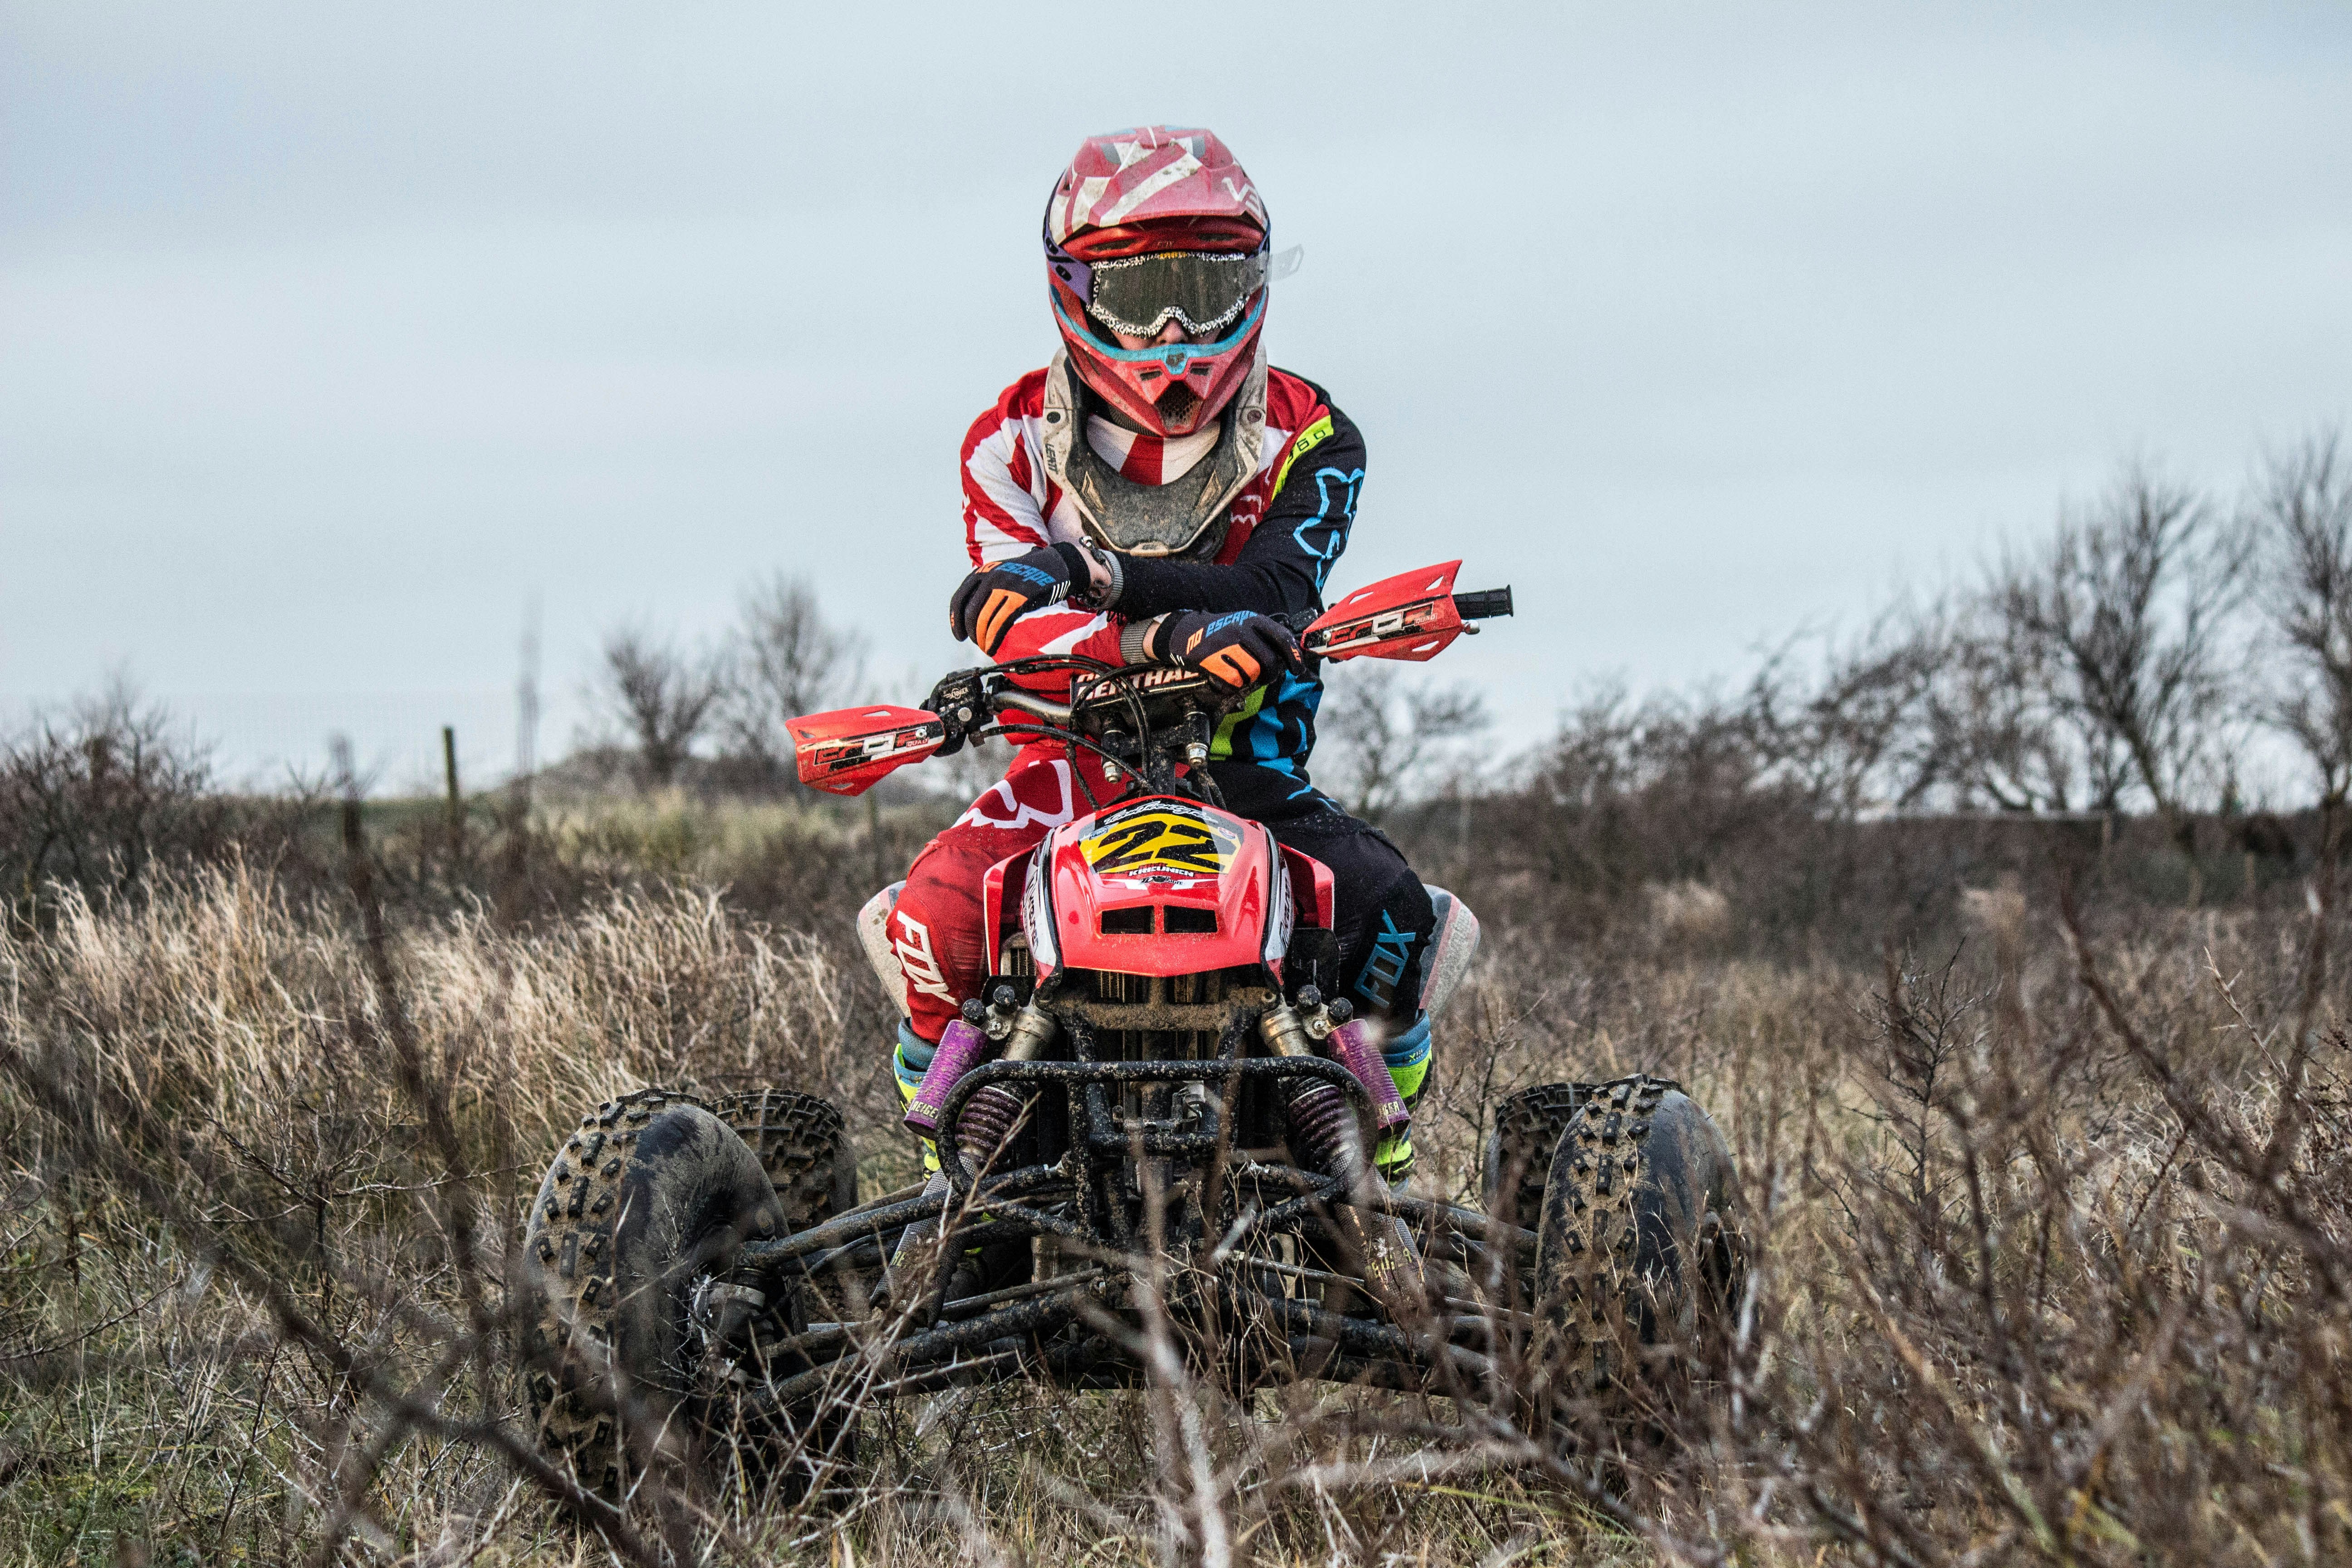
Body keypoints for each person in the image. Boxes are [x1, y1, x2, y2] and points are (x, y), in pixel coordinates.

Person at [881, 126, 1440, 1183]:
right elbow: (1011, 630)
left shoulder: (1314, 431)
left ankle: (1384, 1164)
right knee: (936, 921)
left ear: (1258, 281)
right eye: (1143, 295)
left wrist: (1090, 579)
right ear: (1076, 291)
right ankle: (949, 1180)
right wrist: (1164, 634)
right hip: (1063, 772)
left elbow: (1278, 594)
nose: (1177, 327)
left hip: (1248, 769)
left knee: (1392, 918)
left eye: (1209, 285)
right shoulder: (1005, 444)